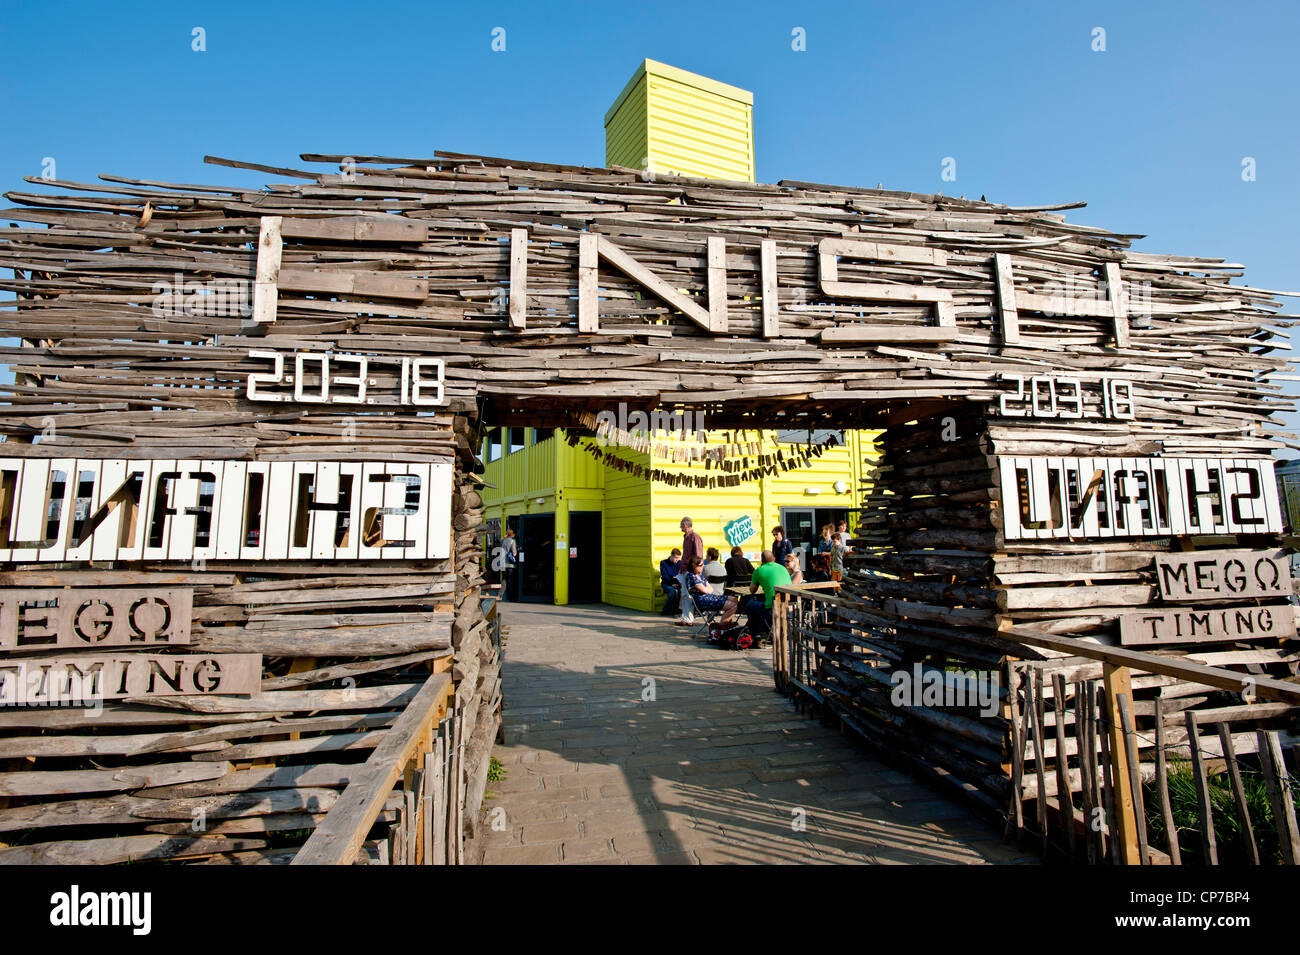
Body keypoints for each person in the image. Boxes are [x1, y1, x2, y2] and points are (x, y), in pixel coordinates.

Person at [743, 549, 791, 638]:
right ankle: (765, 630)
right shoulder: (783, 568)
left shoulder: (759, 570)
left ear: (762, 560)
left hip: (772, 607)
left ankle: (757, 635)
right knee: (760, 604)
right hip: (787, 606)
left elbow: (752, 590)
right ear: (774, 559)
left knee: (750, 604)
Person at [676, 555, 732, 626]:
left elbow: (711, 589)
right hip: (703, 601)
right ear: (694, 566)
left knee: (734, 599)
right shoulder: (691, 576)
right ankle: (723, 627)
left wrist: (706, 589)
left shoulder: (700, 575)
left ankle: (725, 625)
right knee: (731, 605)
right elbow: (706, 591)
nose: (703, 566)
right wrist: (706, 589)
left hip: (709, 597)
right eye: (701, 565)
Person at [678, 518, 704, 624]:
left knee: (688, 594)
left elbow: (698, 555)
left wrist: (697, 570)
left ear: (685, 525)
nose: (680, 527)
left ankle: (688, 619)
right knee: (684, 594)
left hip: (691, 570)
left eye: (681, 525)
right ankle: (686, 618)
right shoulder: (687, 537)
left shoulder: (694, 537)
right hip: (685, 569)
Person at [659, 547, 682, 616]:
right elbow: (665, 576)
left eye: (678, 558)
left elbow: (680, 575)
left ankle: (677, 609)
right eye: (675, 557)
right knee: (673, 591)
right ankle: (666, 610)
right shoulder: (663, 563)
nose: (677, 560)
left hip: (677, 583)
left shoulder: (679, 563)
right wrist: (672, 583)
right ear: (671, 555)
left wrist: (678, 583)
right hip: (666, 584)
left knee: (682, 590)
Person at [499, 527, 518, 601]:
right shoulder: (513, 541)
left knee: (504, 579)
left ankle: (500, 595)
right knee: (510, 580)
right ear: (512, 534)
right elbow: (514, 553)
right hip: (510, 564)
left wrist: (504, 538)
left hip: (503, 563)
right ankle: (510, 597)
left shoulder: (502, 541)